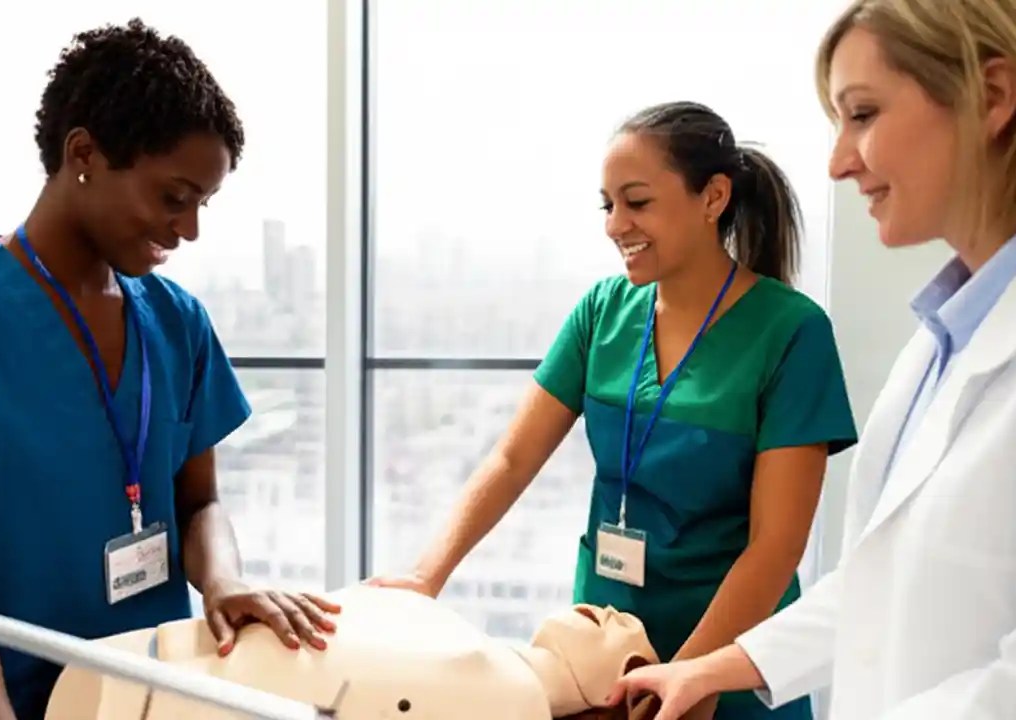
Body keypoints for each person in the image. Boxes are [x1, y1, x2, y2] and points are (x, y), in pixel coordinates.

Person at [606, 1, 1016, 719]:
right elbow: (878, 583)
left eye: (862, 115)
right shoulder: (946, 336)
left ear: (994, 98)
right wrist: (713, 669)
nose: (837, 161)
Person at [0, 18, 338, 720]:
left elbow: (197, 502)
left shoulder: (178, 320)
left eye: (202, 205)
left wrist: (222, 580)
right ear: (83, 152)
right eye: (174, 197)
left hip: (153, 697)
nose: (190, 229)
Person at [368, 100, 859, 720]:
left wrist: (694, 674)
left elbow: (775, 546)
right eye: (608, 205)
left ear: (713, 197)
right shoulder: (603, 311)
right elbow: (513, 457)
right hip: (603, 652)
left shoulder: (791, 333)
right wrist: (425, 576)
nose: (614, 224)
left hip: (726, 647)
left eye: (637, 202)